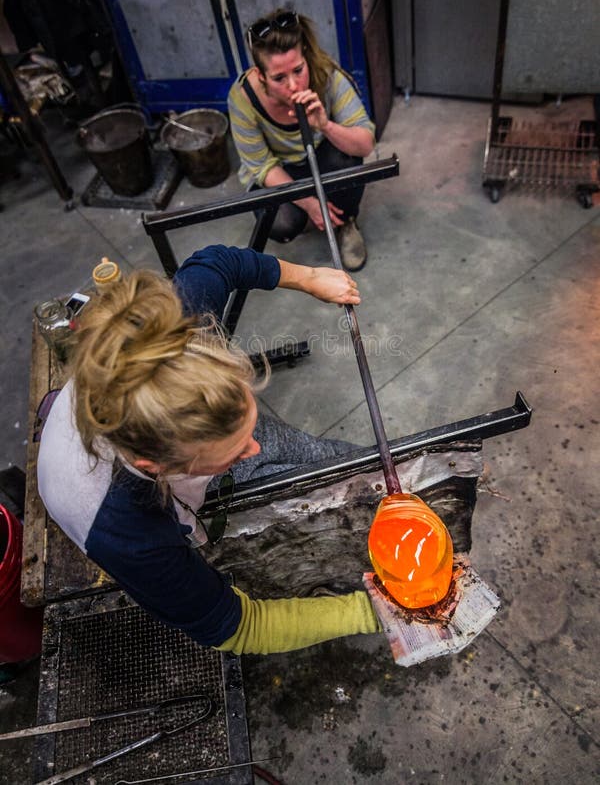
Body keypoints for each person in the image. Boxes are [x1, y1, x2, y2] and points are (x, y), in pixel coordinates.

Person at [38, 245, 381, 655]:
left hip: (174, 453)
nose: (255, 448)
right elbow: (238, 627)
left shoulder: (177, 339)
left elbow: (218, 261)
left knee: (328, 457)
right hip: (130, 497)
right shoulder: (127, 533)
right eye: (236, 450)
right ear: (161, 465)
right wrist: (372, 612)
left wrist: (308, 277)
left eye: (247, 423)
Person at [227, 9, 375, 272]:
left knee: (348, 157)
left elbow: (365, 143)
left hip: (320, 155)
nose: (294, 85)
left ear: (306, 57)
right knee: (280, 223)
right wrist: (309, 203)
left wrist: (325, 126)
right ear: (261, 77)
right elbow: (262, 166)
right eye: (279, 78)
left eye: (298, 70)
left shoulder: (327, 76)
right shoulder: (242, 98)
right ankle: (313, 214)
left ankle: (345, 221)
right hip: (280, 170)